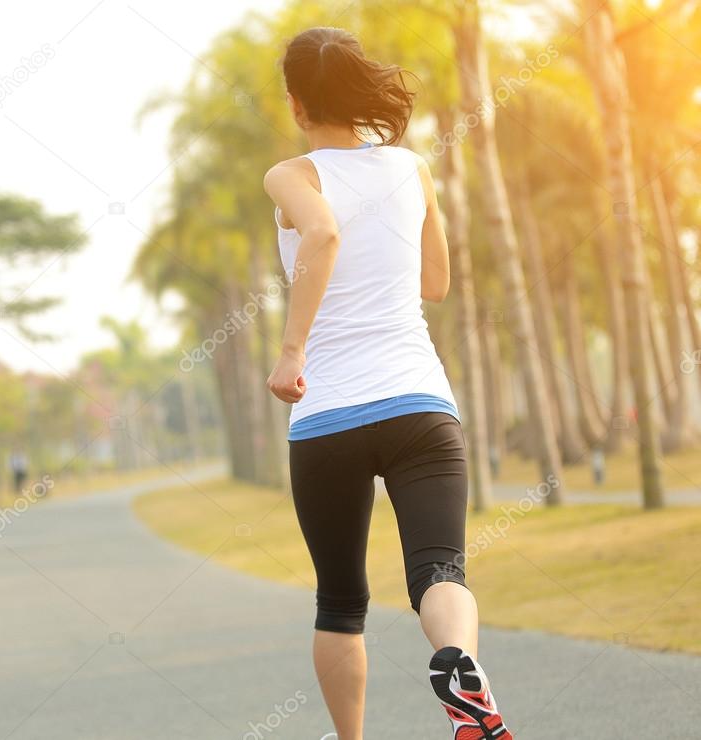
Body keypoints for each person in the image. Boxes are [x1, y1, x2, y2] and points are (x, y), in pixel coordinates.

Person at [263, 27, 511, 740]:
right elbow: (435, 282)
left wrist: (291, 351)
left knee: (340, 602)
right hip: (419, 405)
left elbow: (322, 234)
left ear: (296, 101)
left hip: (327, 415)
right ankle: (459, 661)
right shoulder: (411, 169)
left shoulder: (292, 175)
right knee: (440, 570)